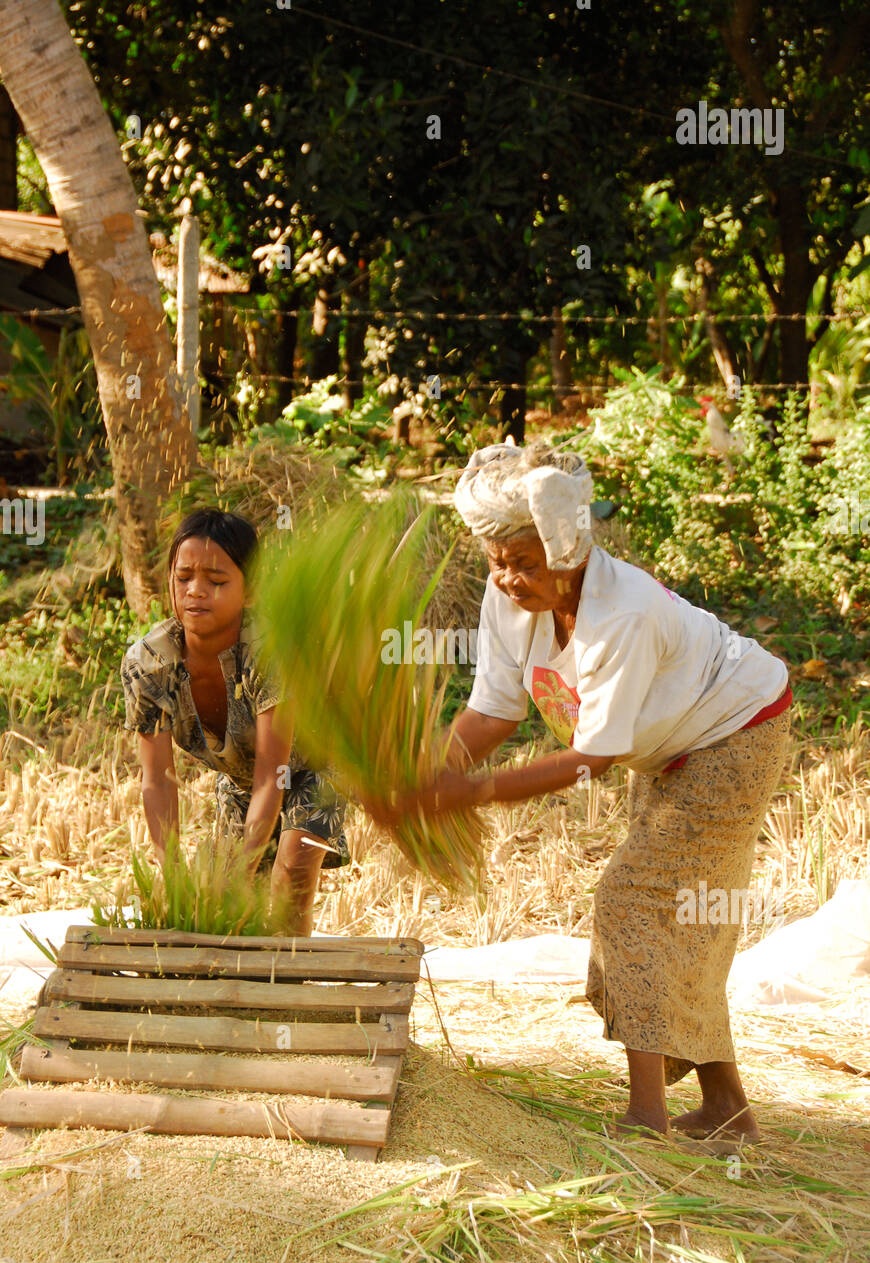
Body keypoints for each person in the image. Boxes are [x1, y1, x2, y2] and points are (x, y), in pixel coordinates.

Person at [369, 442, 791, 1140]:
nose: (507, 578)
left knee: (632, 901)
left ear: (567, 551)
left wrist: (465, 794)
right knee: (678, 914)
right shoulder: (507, 601)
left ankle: (646, 1117)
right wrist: (423, 777)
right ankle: (727, 1109)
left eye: (525, 562)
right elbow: (495, 711)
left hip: (735, 732)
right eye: (495, 560)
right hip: (668, 749)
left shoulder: (618, 615)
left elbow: (590, 757)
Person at [121, 508, 347, 934]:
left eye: (217, 581)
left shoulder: (270, 652)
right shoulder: (149, 663)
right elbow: (158, 780)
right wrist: (171, 872)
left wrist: (248, 861)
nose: (196, 592)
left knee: (287, 888)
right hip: (241, 782)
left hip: (313, 771)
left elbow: (273, 774)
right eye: (183, 577)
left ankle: (288, 996)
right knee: (226, 909)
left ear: (251, 591)